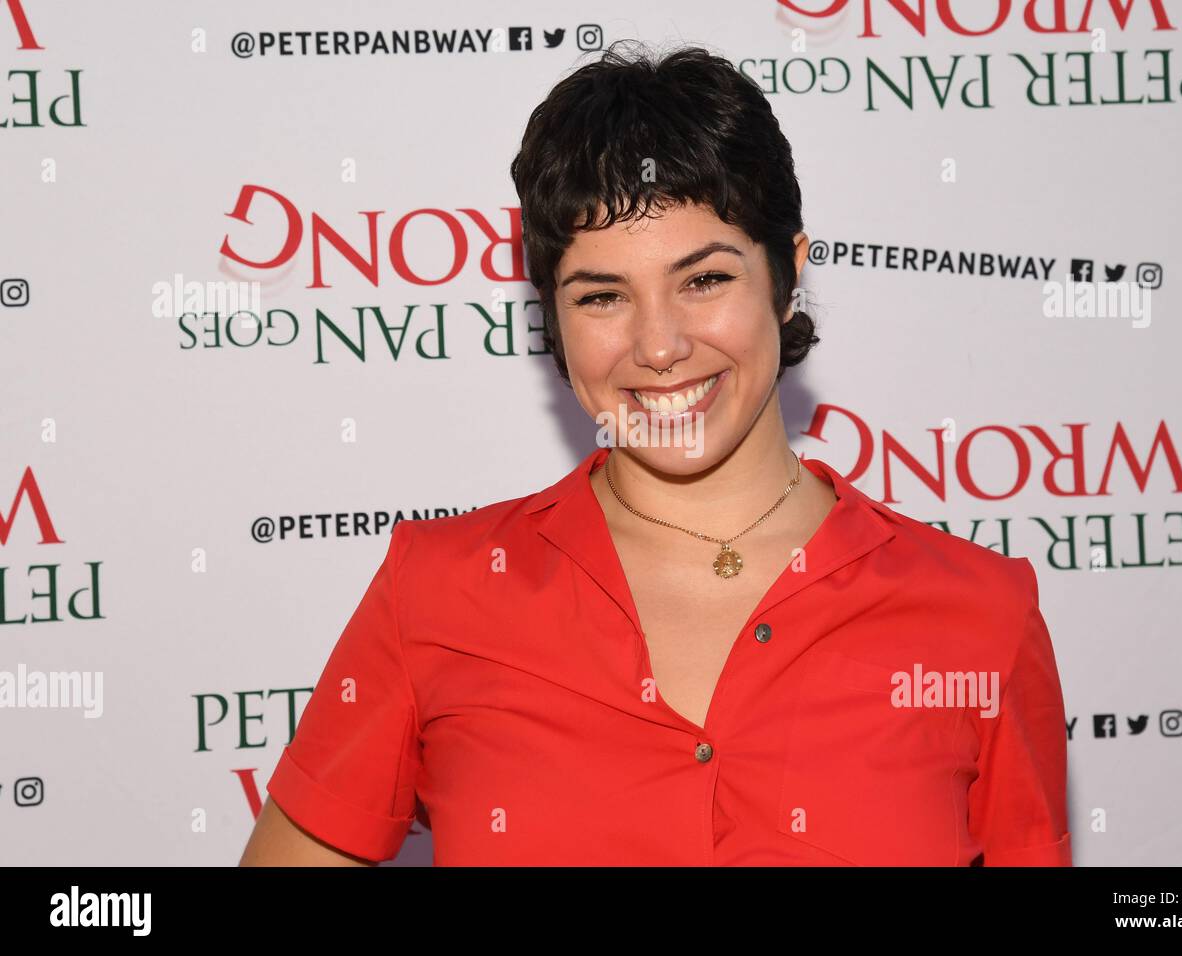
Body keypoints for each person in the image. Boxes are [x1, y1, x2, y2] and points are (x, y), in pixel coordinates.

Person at [240, 40, 1070, 867]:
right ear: (553, 320)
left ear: (787, 276)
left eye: (704, 280)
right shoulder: (435, 592)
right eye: (602, 296)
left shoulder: (979, 615)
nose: (661, 346)